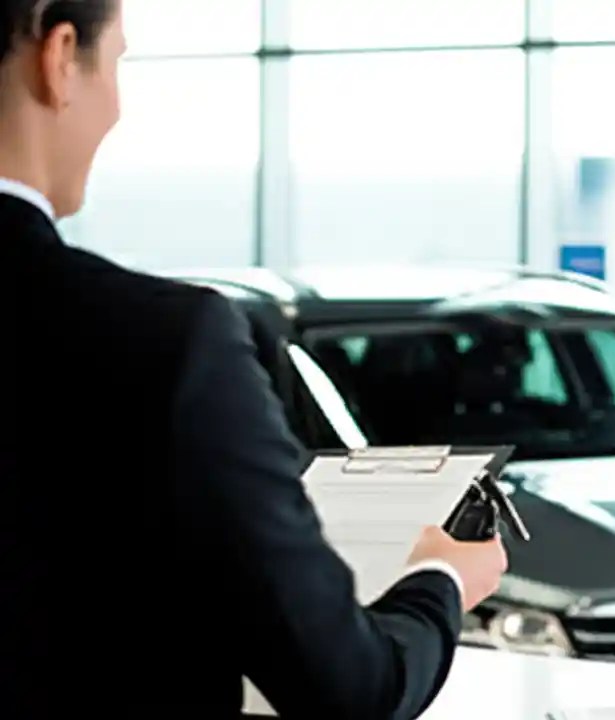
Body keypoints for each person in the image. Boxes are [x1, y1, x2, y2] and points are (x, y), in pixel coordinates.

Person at [0, 2, 507, 717]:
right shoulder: (164, 340)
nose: (116, 105)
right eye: (116, 62)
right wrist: (441, 580)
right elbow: (350, 688)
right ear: (59, 59)